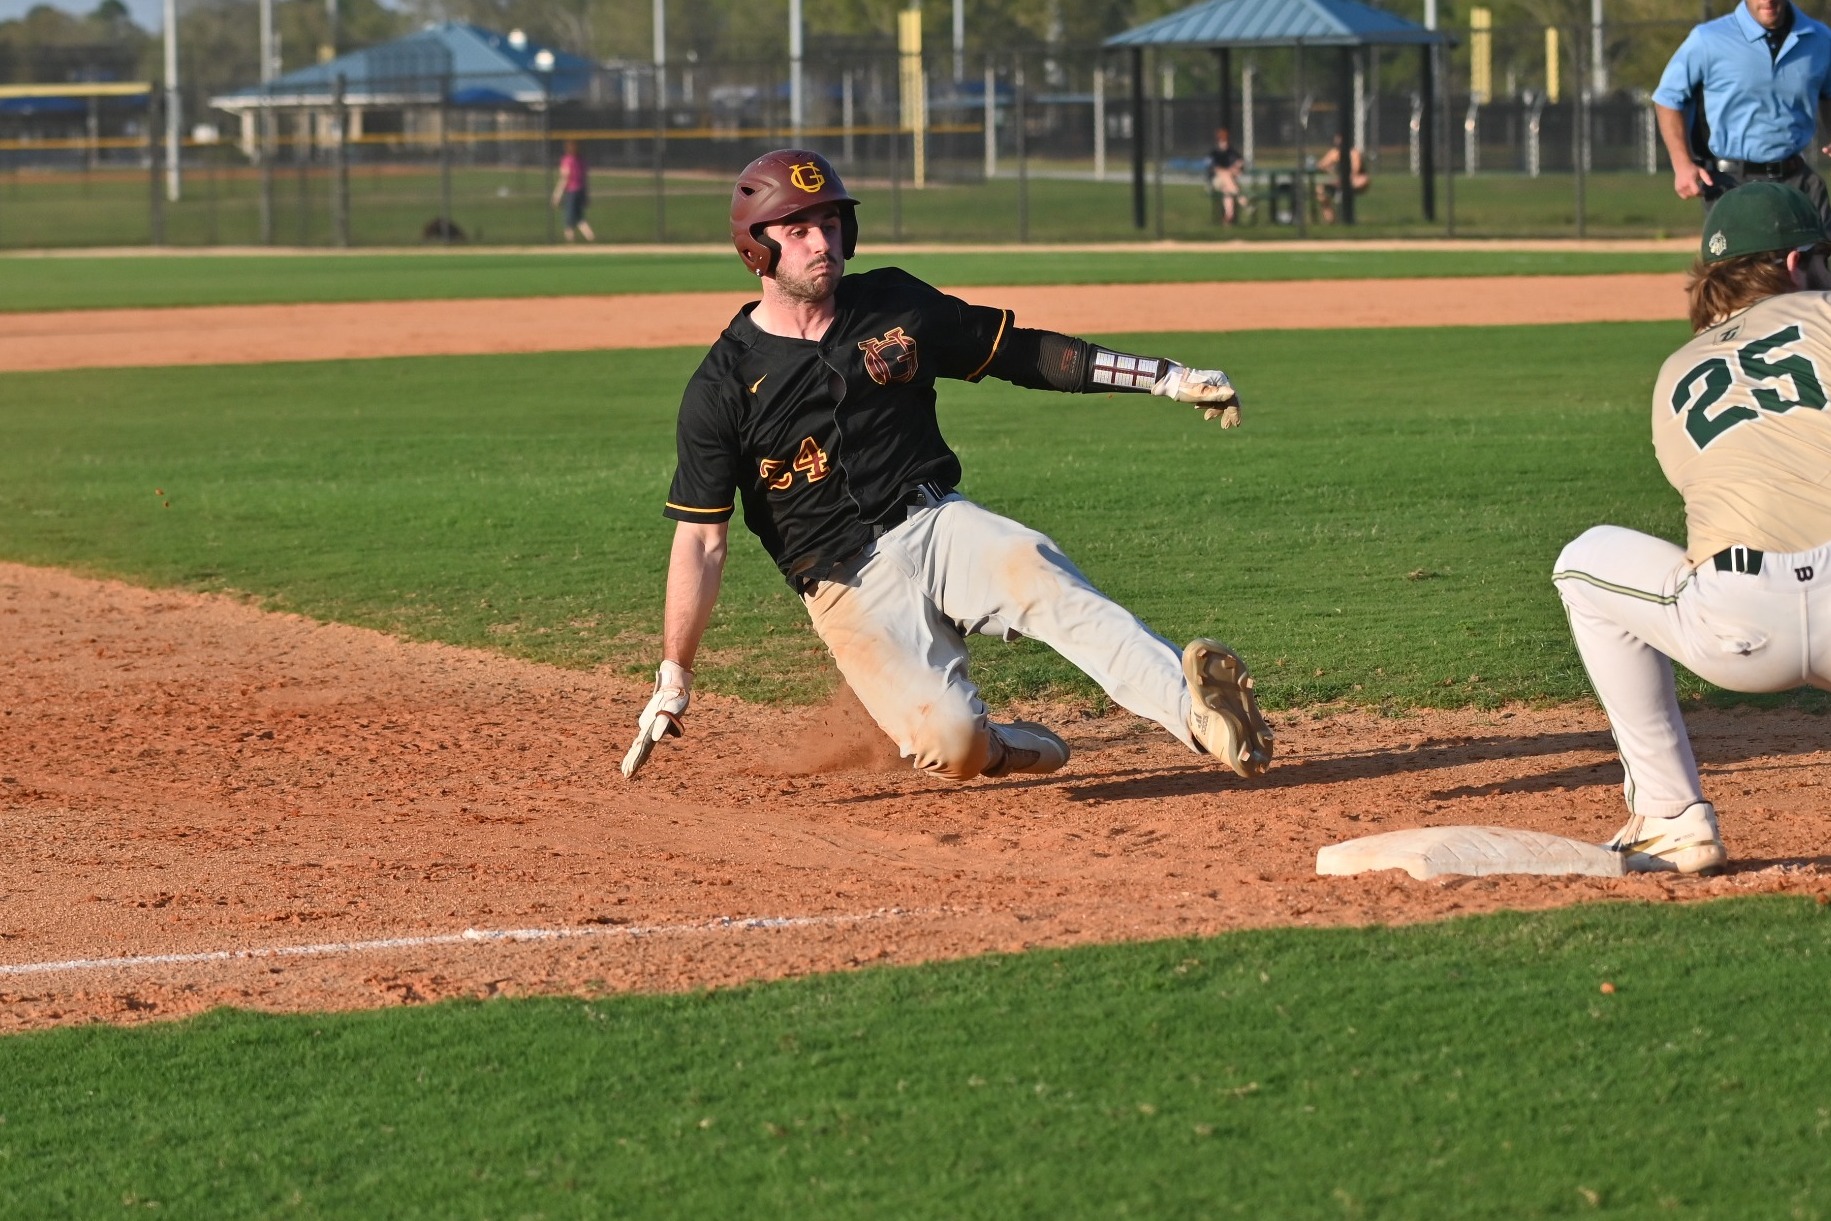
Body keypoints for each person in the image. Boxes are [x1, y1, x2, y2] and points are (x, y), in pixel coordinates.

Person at [620, 148, 1274, 785]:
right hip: (841, 585)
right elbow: (702, 541)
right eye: (798, 229)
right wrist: (674, 675)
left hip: (934, 523)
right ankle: (997, 745)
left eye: (829, 223)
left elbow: (1023, 353)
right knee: (950, 744)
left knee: (1043, 578)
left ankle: (1200, 718)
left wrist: (1163, 377)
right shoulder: (722, 385)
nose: (822, 241)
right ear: (756, 248)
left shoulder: (892, 304)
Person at [1552, 181, 1831, 875]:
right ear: (1796, 264)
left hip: (1735, 626)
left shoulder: (1676, 370)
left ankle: (1671, 816)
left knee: (1583, 563)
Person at [1653, 0, 1831, 223]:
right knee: (1743, 260)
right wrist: (1682, 164)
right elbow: (1668, 99)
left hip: (1798, 182)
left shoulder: (1820, 38)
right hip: (1730, 184)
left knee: (1813, 258)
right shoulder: (1708, 39)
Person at [1313, 134, 1369, 224]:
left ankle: (1348, 218)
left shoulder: (1353, 153)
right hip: (1337, 181)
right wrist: (1328, 169)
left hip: (1353, 182)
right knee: (1319, 190)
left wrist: (1342, 180)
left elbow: (1355, 171)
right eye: (1337, 138)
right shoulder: (1334, 153)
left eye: (1340, 138)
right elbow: (1321, 165)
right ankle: (1330, 220)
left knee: (1353, 185)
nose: (1338, 140)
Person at [552, 140, 594, 242]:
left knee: (569, 219)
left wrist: (557, 195)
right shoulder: (581, 161)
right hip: (581, 191)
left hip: (572, 192)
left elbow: (564, 179)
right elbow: (585, 179)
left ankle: (570, 241)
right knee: (579, 217)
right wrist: (586, 194)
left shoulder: (567, 160)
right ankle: (591, 237)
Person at [1208, 126, 1245, 225]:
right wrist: (1230, 170)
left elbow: (1240, 165)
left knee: (1227, 190)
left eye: (1225, 140)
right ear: (1218, 141)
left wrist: (1236, 168)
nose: (1224, 143)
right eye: (1222, 140)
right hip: (1216, 181)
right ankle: (1241, 198)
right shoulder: (1215, 154)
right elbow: (1216, 170)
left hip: (1229, 183)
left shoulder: (1232, 152)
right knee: (1225, 175)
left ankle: (1228, 217)